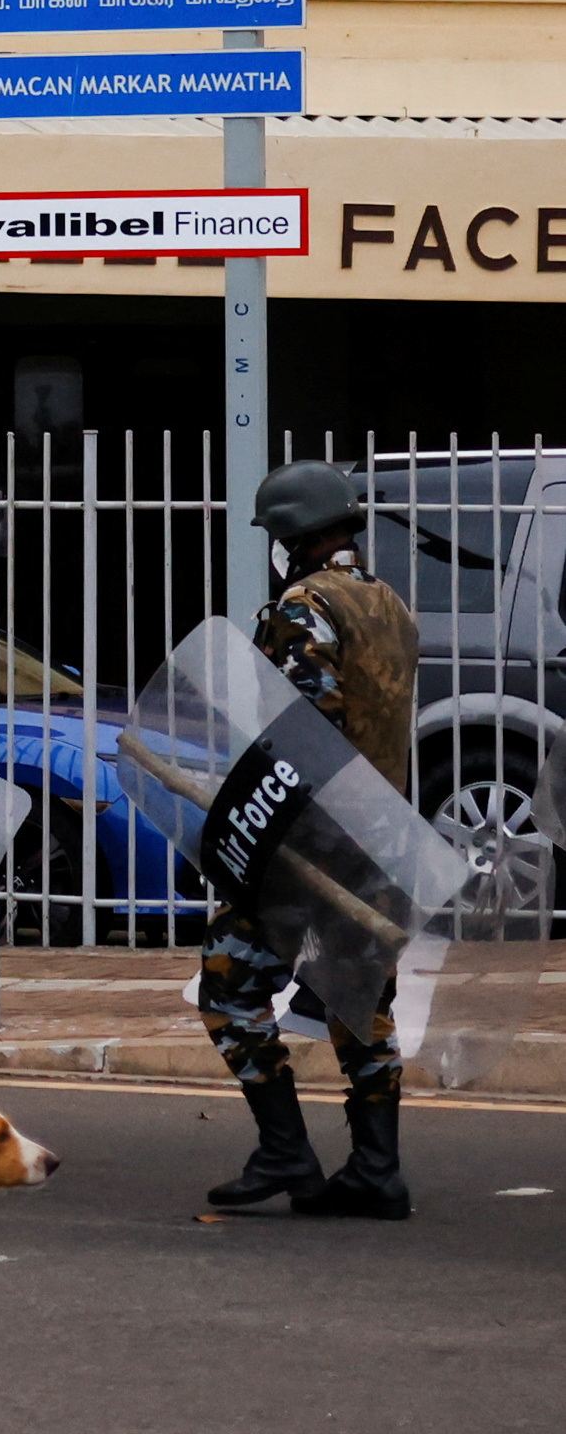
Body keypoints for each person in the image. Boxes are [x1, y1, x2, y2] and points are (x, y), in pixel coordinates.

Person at [201, 459, 418, 1220]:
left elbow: (307, 735)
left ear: (291, 535)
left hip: (310, 845)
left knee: (228, 991)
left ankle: (286, 1149)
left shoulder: (302, 606)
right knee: (359, 1004)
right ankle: (377, 1170)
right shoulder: (388, 604)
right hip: (383, 838)